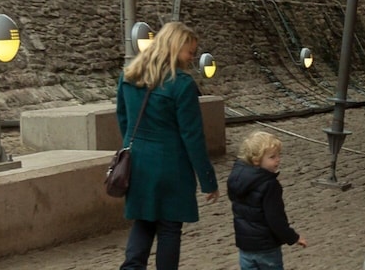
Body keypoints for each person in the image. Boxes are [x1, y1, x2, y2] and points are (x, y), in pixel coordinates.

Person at [116, 22, 220, 270]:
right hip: (171, 167)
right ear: (175, 47)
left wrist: (134, 147)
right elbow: (192, 136)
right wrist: (208, 180)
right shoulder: (182, 84)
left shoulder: (129, 76)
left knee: (143, 222)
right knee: (169, 229)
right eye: (190, 51)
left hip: (139, 164)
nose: (192, 57)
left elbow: (123, 119)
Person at [229, 131, 307, 269]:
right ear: (256, 160)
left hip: (245, 246)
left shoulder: (236, 178)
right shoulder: (270, 185)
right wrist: (293, 237)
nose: (278, 160)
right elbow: (276, 219)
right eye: (272, 157)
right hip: (266, 247)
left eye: (278, 155)